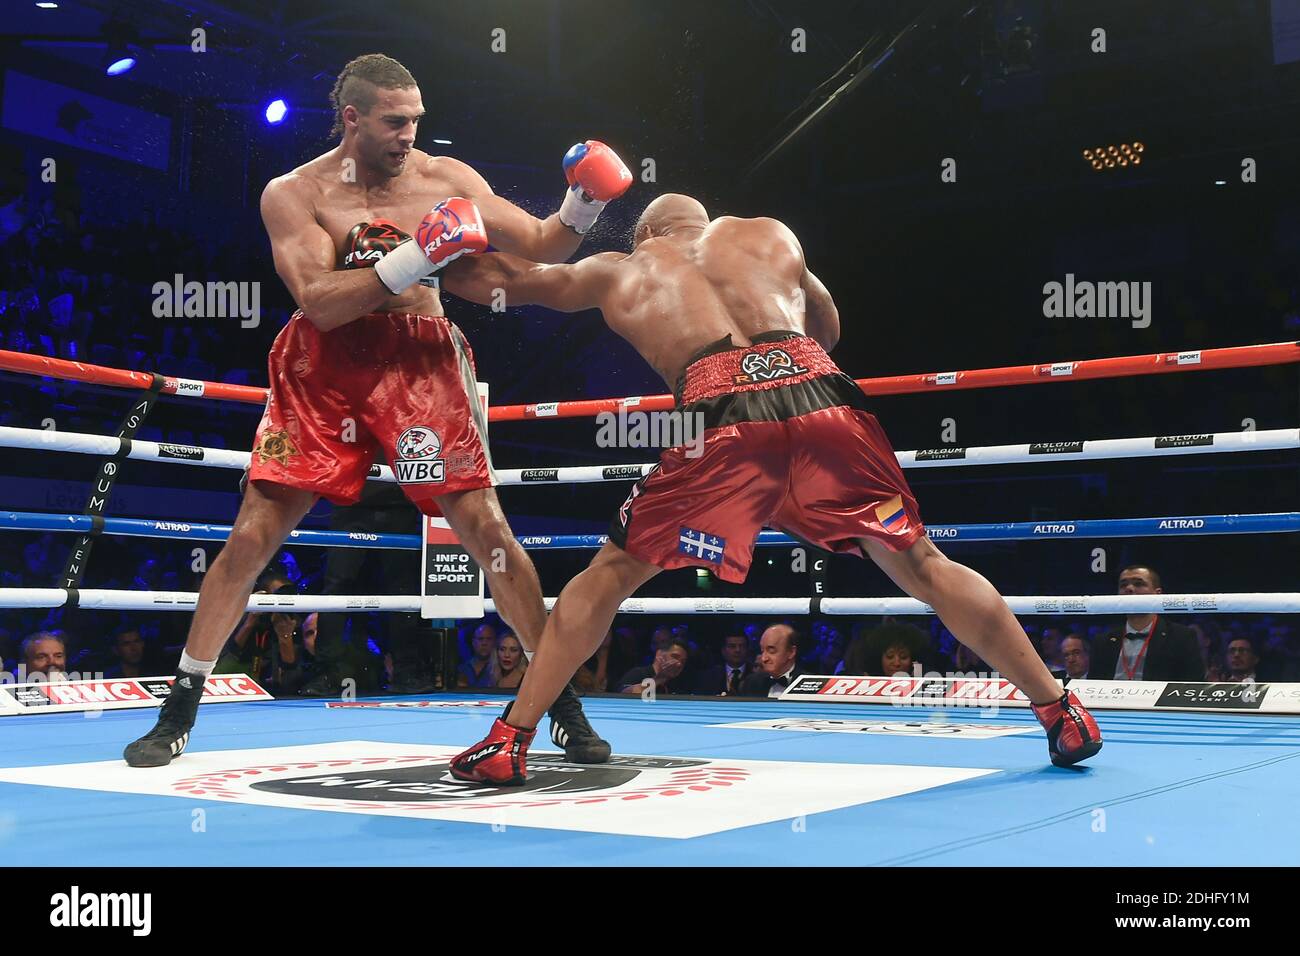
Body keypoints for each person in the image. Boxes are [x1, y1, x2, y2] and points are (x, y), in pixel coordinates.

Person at [443, 193, 1101, 784]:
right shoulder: (767, 232)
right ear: (703, 220)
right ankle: (1058, 710)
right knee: (922, 562)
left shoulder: (621, 266)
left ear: (648, 234)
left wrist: (430, 250)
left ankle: (510, 740)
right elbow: (830, 329)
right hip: (824, 401)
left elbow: (508, 280)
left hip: (723, 416)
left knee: (611, 573)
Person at [124, 53, 629, 768]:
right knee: (251, 534)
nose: (410, 133)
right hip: (325, 367)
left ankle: (556, 703)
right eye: (395, 121)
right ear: (352, 118)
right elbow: (320, 303)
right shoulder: (295, 192)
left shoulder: (446, 180)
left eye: (418, 119)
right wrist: (419, 253)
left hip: (420, 360)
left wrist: (585, 199)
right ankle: (179, 707)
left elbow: (546, 244)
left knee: (487, 530)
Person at [1088, 565, 1202, 681]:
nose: (1129, 588)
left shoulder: (1181, 637)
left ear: (1157, 594)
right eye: (1123, 585)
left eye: (1138, 584)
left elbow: (1191, 687)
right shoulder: (1103, 641)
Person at [739, 625, 807, 697]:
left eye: (771, 651)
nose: (764, 658)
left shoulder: (811, 683)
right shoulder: (751, 683)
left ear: (791, 652)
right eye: (762, 651)